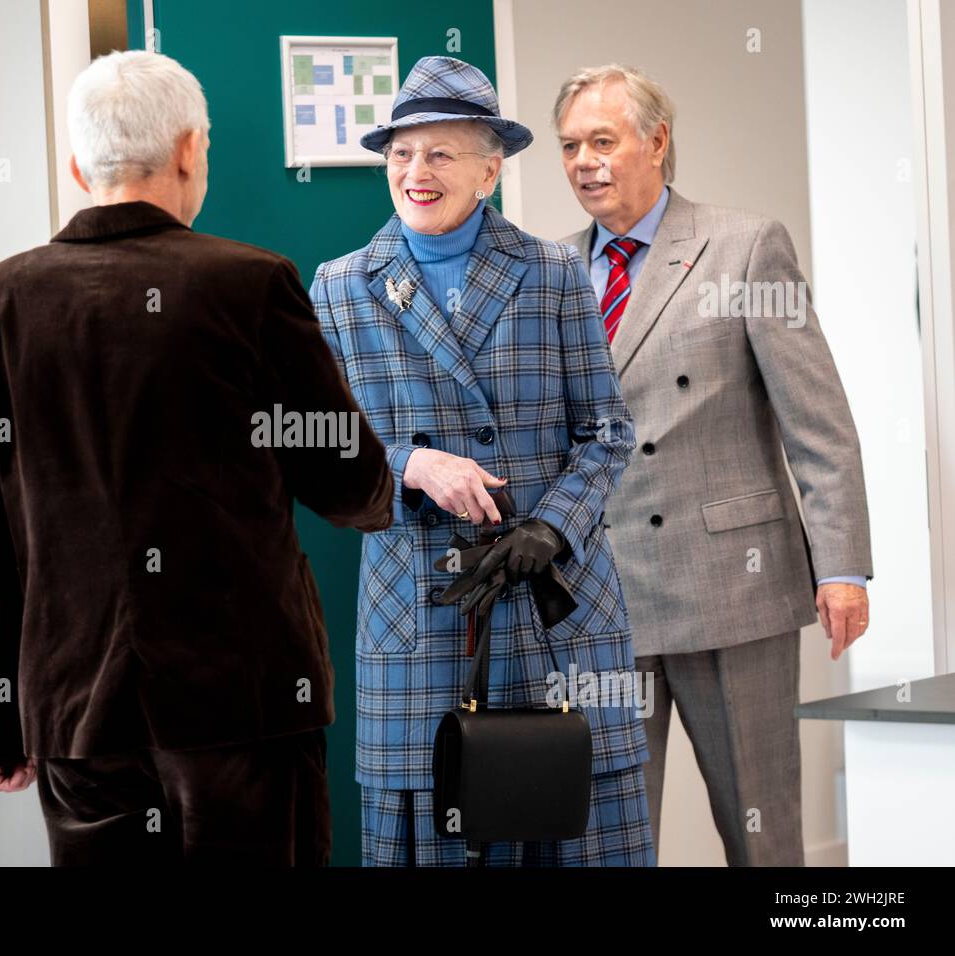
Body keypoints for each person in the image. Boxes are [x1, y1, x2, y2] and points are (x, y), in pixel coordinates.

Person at [0, 50, 393, 866]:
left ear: (79, 166)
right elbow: (350, 482)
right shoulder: (251, 286)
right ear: (189, 150)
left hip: (76, 711)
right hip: (245, 704)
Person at [312, 55, 653, 866]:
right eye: (399, 153)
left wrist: (554, 528)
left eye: (439, 154)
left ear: (489, 170)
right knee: (435, 828)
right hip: (419, 609)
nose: (414, 172)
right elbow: (319, 446)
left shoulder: (553, 273)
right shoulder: (339, 287)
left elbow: (608, 430)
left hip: (553, 603)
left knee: (570, 827)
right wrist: (411, 463)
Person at [554, 63, 873, 865]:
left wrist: (842, 567)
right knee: (611, 842)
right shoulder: (549, 269)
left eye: (602, 140)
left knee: (761, 836)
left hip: (733, 586)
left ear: (656, 142)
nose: (584, 162)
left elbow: (819, 420)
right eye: (569, 146)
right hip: (599, 600)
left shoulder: (745, 247)